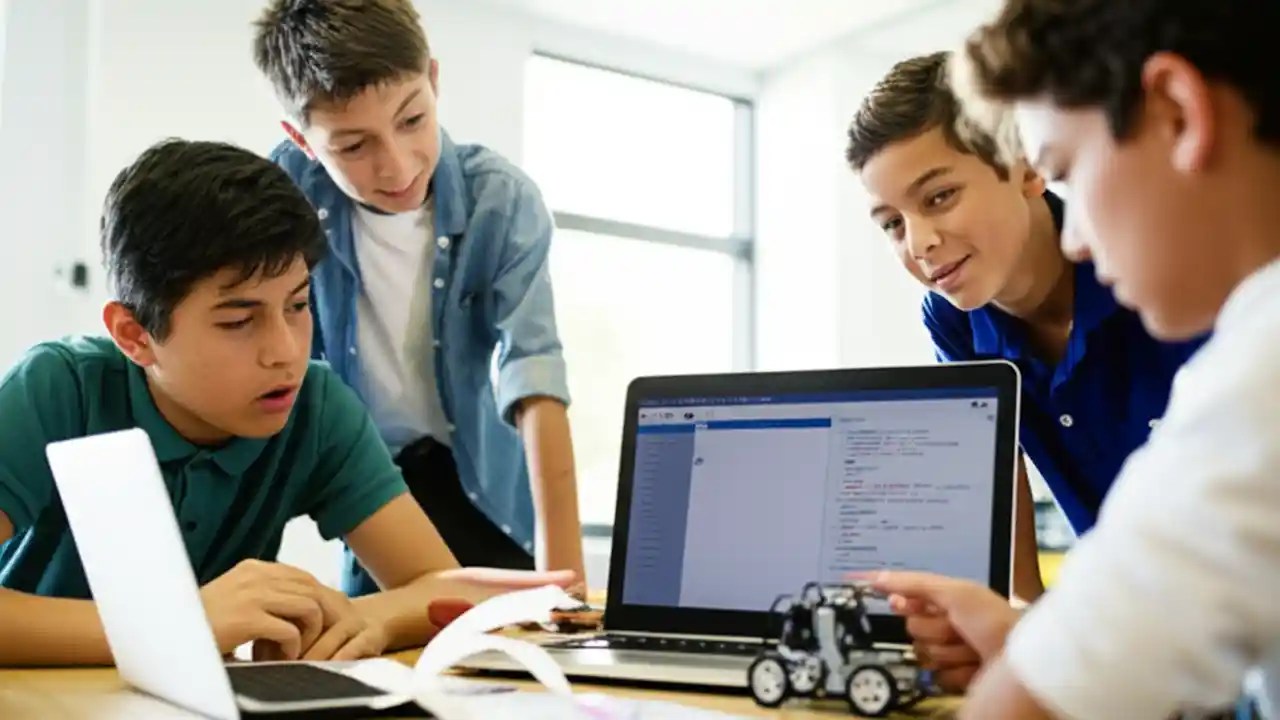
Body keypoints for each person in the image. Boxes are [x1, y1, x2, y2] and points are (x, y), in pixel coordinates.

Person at [0, 139, 572, 666]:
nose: (285, 353)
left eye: (297, 306)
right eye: (239, 321)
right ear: (134, 335)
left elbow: (443, 585)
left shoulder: (316, 407)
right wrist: (178, 626)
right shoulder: (58, 388)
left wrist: (366, 616)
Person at [871, 0, 1280, 717]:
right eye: (893, 223)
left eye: (1066, 167)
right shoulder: (958, 319)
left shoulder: (1261, 359)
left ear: (1178, 114)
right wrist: (1040, 636)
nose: (1077, 238)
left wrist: (1055, 663)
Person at [251, 0, 586, 598]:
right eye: (354, 146)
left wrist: (568, 585)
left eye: (412, 120)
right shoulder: (284, 195)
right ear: (301, 140)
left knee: (513, 656)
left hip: (483, 488)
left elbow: (534, 375)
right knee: (381, 666)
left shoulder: (500, 201)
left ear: (433, 80)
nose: (397, 165)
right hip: (373, 487)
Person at [845, 51, 1206, 600]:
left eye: (939, 197)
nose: (918, 245)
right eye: (893, 223)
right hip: (1120, 616)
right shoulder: (953, 317)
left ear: (1028, 167)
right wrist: (1022, 621)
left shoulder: (1148, 262)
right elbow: (994, 469)